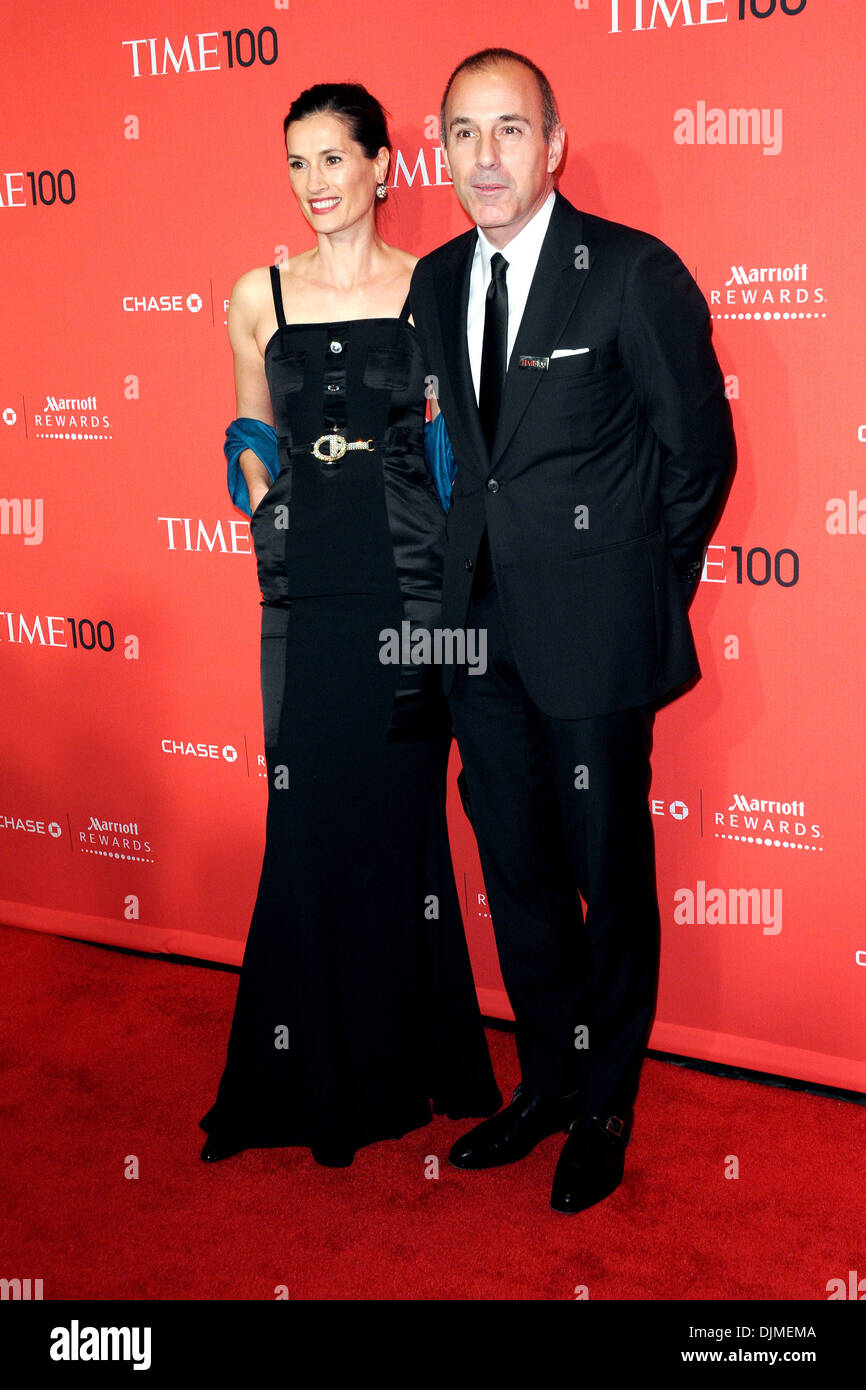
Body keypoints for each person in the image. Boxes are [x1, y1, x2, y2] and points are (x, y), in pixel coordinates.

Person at [408, 49, 736, 1213]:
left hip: (594, 640)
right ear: (438, 150)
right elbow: (447, 461)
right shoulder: (436, 282)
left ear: (551, 145)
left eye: (508, 130)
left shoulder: (631, 275)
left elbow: (698, 457)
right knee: (517, 868)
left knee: (607, 870)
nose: (483, 155)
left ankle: (605, 1102)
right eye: (461, 132)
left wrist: (634, 593)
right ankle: (545, 1077)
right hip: (474, 639)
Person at [199, 82, 501, 1168]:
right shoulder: (256, 294)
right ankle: (306, 1073)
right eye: (297, 163)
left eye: (334, 160)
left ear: (381, 166)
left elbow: (458, 441)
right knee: (306, 822)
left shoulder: (437, 289)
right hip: (304, 594)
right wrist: (252, 472)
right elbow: (249, 425)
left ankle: (405, 1062)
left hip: (411, 593)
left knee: (399, 822)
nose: (315, 184)